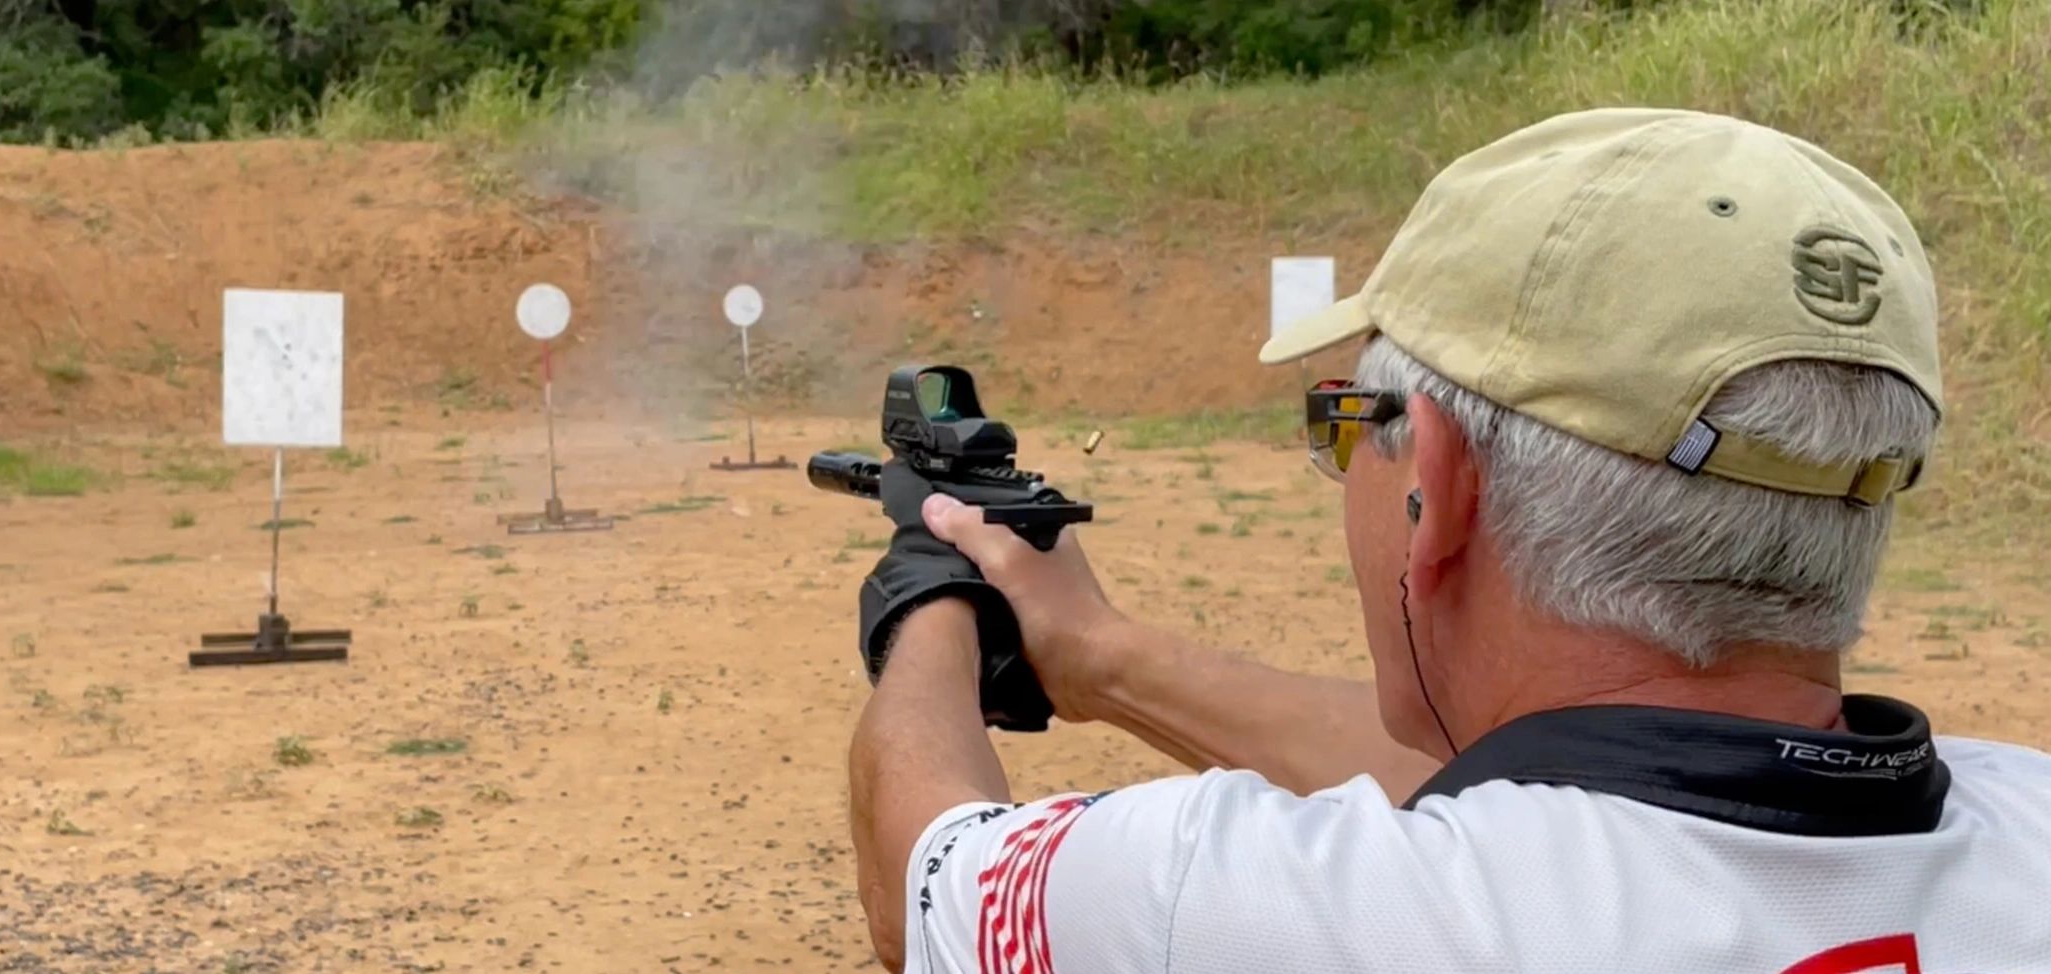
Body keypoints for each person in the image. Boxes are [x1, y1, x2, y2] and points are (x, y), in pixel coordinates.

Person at [844, 107, 2051, 974]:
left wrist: (931, 594)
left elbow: (926, 880)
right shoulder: (2027, 829)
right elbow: (1551, 800)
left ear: (1437, 480)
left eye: (1351, 427)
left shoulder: (1223, 905)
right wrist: (1099, 655)